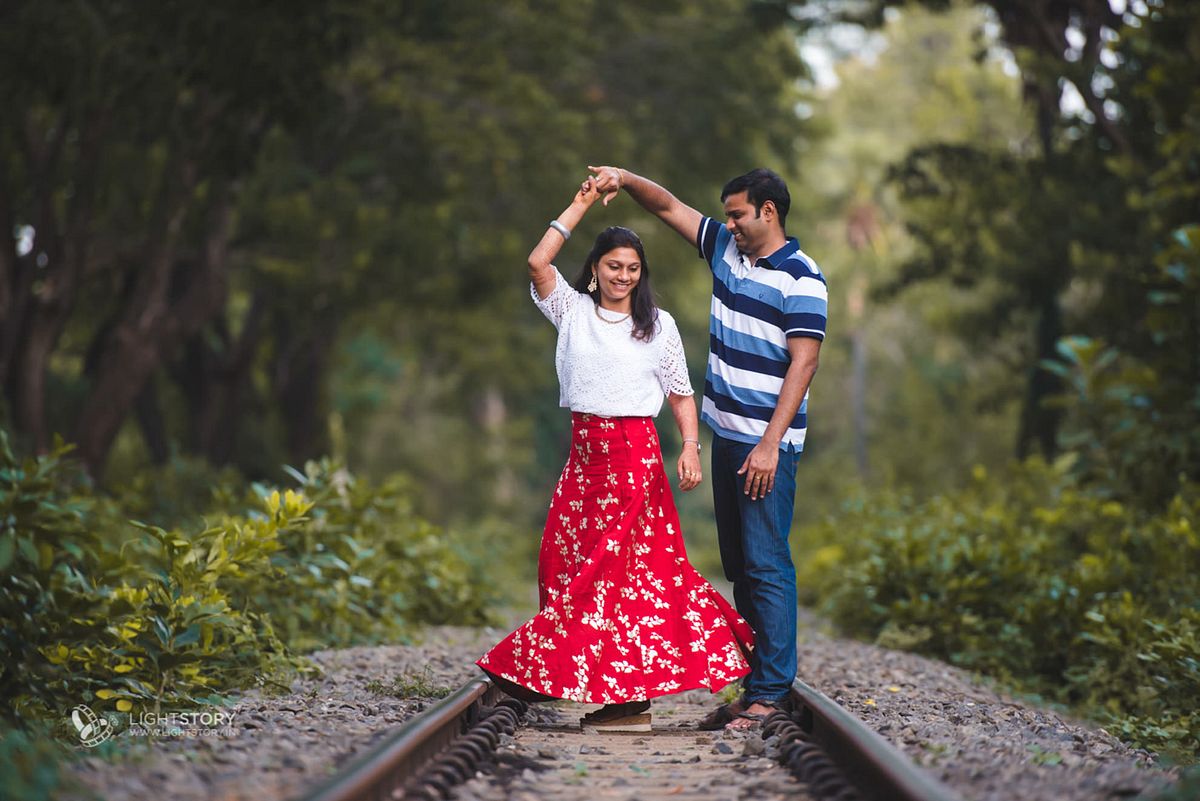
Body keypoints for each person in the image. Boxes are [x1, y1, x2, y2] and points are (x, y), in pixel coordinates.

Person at [476, 177, 754, 732]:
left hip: (632, 456)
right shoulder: (571, 312)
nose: (623, 276)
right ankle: (591, 683)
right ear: (596, 268)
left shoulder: (658, 325)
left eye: (632, 268)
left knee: (617, 573)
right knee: (564, 565)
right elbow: (537, 262)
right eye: (613, 266)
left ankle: (574, 687)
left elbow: (680, 394)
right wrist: (579, 203)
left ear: (640, 274)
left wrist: (691, 448)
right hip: (583, 456)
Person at [587, 165, 827, 731]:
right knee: (741, 566)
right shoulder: (725, 249)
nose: (730, 224)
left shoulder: (802, 276)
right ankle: (757, 685)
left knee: (767, 563)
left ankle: (770, 693)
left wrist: (769, 445)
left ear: (769, 211)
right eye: (727, 215)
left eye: (738, 213)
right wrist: (624, 177)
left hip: (766, 446)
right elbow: (668, 206)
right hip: (726, 436)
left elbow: (805, 360)